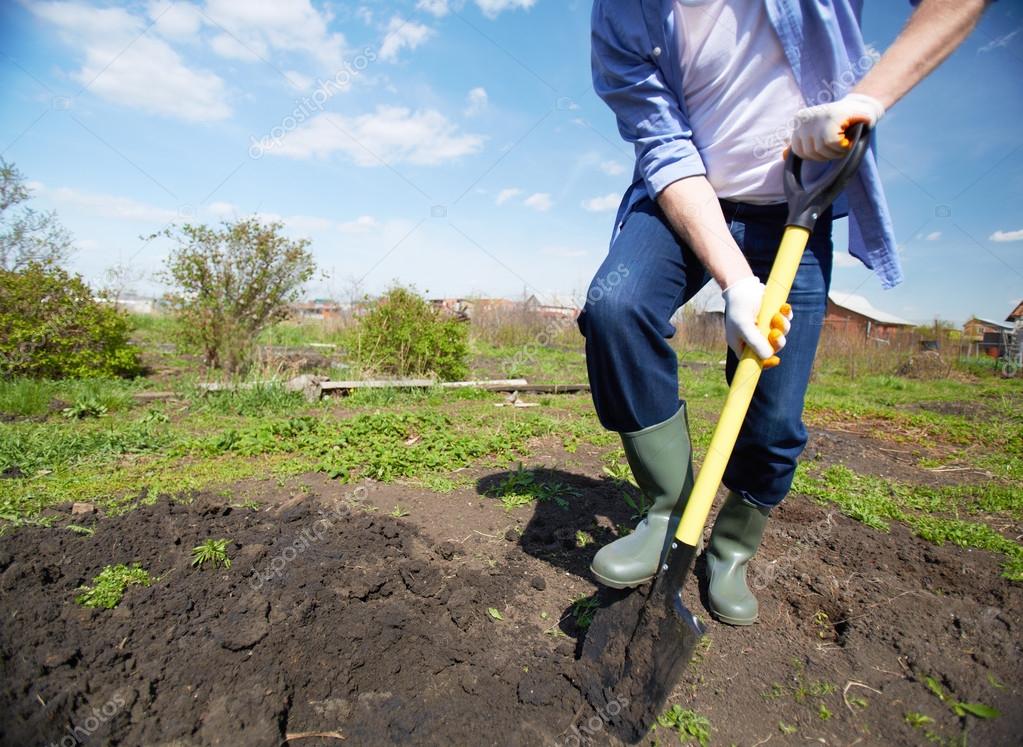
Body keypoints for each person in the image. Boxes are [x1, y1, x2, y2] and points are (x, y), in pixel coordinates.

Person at [580, 0, 989, 625]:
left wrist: (869, 99)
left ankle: (733, 548)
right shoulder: (620, 15)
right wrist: (738, 282)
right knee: (617, 307)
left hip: (796, 210)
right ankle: (667, 511)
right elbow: (662, 146)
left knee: (774, 411)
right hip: (687, 203)